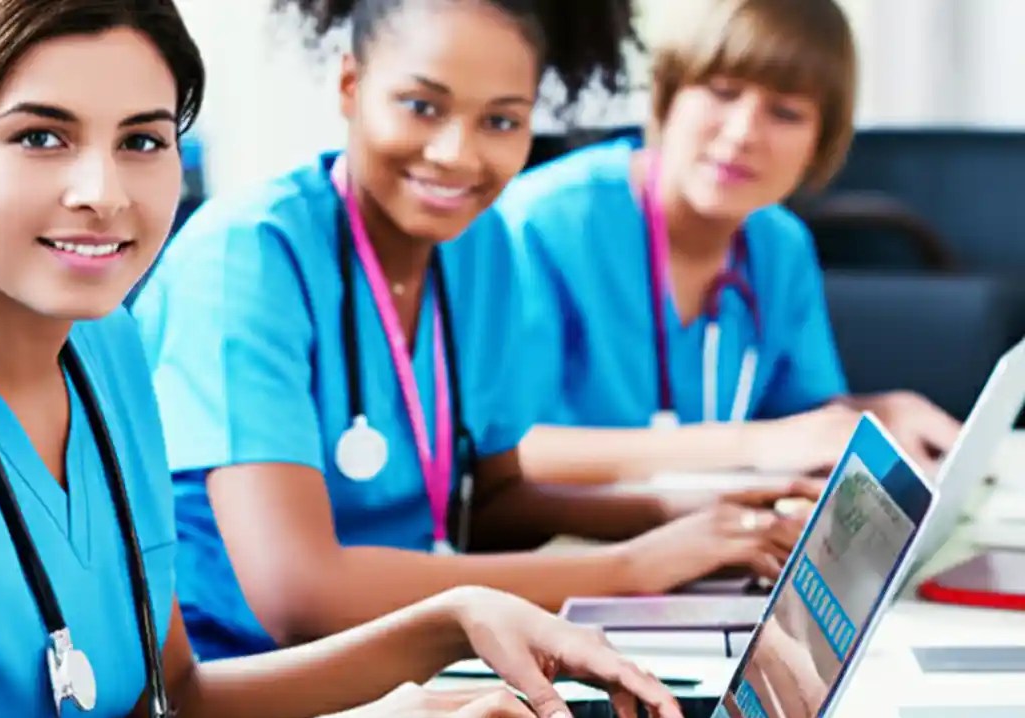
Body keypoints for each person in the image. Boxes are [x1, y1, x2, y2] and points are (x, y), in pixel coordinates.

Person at [0, 1, 683, 718]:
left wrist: (447, 629)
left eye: (143, 140)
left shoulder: (104, 346)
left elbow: (179, 696)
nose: (102, 192)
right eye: (42, 137)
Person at [131, 0, 818, 664]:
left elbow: (487, 505)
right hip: (245, 676)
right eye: (422, 106)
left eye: (500, 120)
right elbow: (300, 593)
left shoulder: (478, 247)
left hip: (417, 664)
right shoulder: (248, 256)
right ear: (351, 83)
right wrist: (633, 565)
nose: (457, 154)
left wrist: (695, 511)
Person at [496, 0, 961, 487]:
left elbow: (798, 416)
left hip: (716, 544)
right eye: (721, 93)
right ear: (667, 95)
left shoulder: (780, 246)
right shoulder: (541, 223)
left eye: (785, 113)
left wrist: (876, 416)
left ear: (821, 144)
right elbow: (503, 451)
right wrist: (749, 444)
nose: (742, 134)